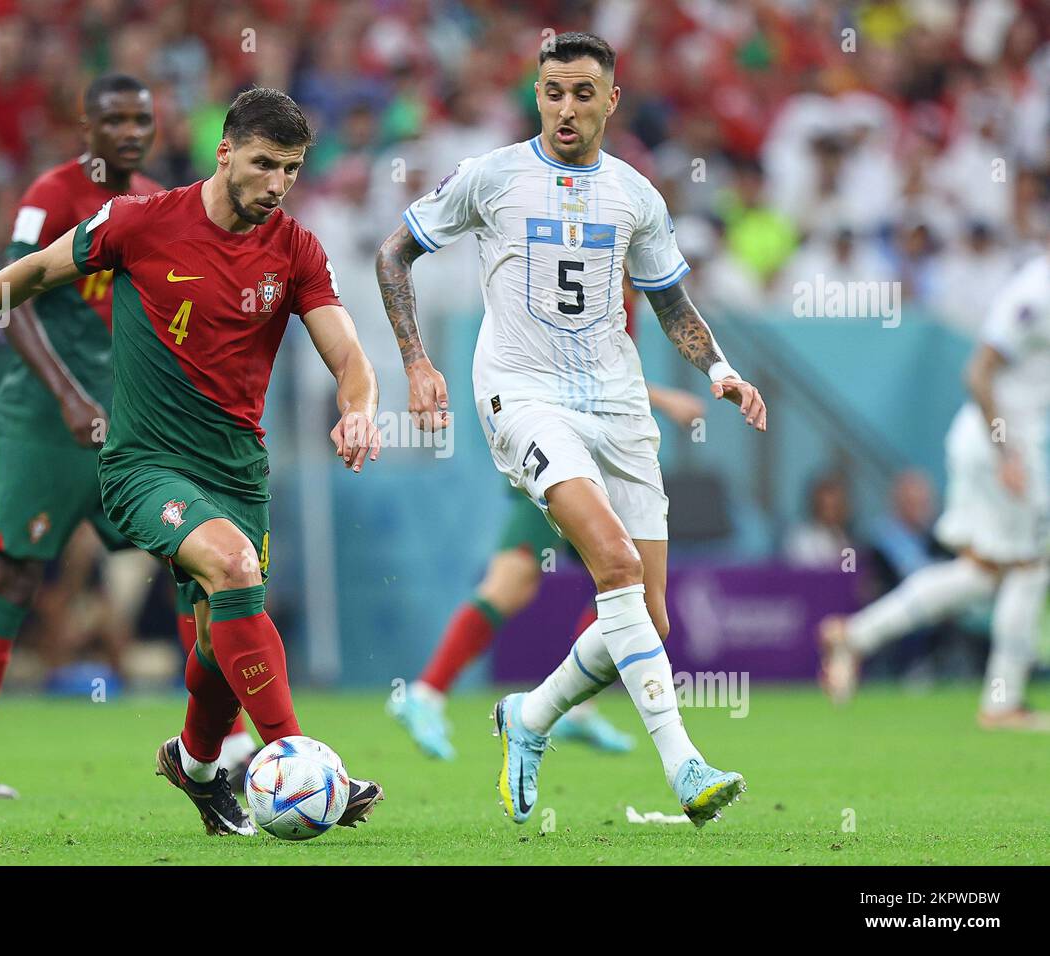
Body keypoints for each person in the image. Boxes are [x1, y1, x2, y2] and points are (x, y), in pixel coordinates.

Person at [0, 88, 385, 836]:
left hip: (236, 471)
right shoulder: (139, 222)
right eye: (262, 164)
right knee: (234, 570)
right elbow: (28, 275)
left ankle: (191, 764)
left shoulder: (294, 248)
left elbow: (347, 351)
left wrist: (359, 407)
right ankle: (300, 761)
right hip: (144, 464)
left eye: (290, 169)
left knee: (221, 643)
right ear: (224, 153)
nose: (276, 184)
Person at [375, 32, 767, 827]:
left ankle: (530, 717)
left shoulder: (636, 195)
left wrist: (720, 370)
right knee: (613, 566)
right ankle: (684, 765)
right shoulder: (492, 175)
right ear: (537, 94)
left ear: (611, 100)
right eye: (552, 92)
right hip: (522, 396)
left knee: (649, 619)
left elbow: (670, 303)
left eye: (583, 93)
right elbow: (394, 254)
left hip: (618, 404)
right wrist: (416, 362)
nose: (565, 107)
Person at [0, 74, 188, 801]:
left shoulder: (154, 203)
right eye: (117, 120)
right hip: (46, 422)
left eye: (143, 119)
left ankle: (222, 746)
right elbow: (9, 299)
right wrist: (73, 399)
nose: (133, 132)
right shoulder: (50, 195)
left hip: (126, 426)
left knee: (193, 558)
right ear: (87, 124)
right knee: (15, 575)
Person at [389, 382, 703, 761]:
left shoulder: (621, 321)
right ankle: (427, 694)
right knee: (509, 587)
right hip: (558, 458)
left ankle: (577, 710)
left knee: (627, 586)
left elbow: (610, 370)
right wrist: (668, 399)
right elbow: (585, 370)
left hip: (596, 460)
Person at [820, 249, 1050, 732]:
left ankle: (855, 635)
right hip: (998, 444)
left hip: (1000, 443)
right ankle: (1001, 702)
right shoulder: (1035, 291)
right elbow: (978, 371)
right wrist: (1007, 451)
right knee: (1032, 563)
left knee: (984, 572)